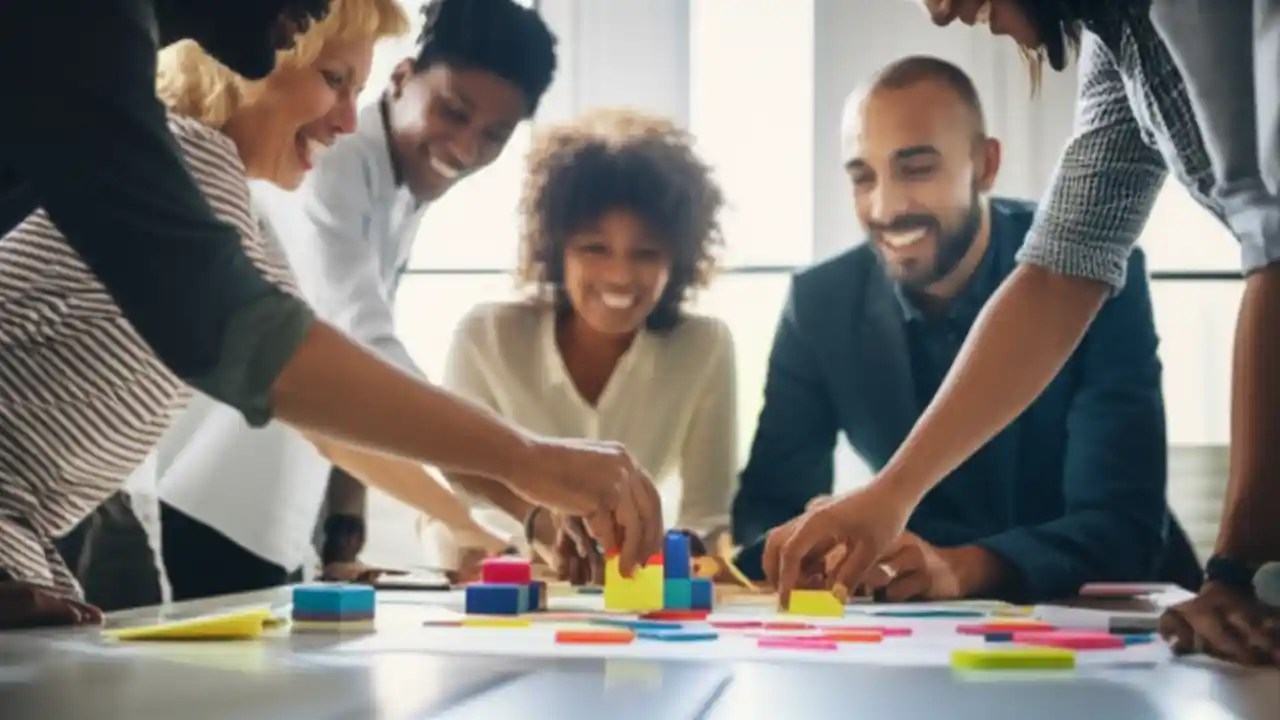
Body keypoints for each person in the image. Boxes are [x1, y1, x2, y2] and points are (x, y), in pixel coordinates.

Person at [0, 0, 658, 631]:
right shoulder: (199, 166)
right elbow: (292, 362)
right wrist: (532, 462)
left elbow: (337, 417)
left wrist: (531, 505)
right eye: (333, 80)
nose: (348, 122)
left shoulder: (239, 213)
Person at [764, 0, 1280, 666]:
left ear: (985, 164)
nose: (941, 10)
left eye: (916, 167)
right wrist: (889, 496)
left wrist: (1237, 571)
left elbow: (1272, 242)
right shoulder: (1118, 43)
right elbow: (1062, 271)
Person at [130, 0, 557, 603]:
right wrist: (509, 491)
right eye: (453, 112)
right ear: (403, 78)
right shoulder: (304, 171)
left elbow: (332, 383)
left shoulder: (394, 186)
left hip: (265, 514)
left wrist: (354, 531)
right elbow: (348, 356)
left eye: (493, 134)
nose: (464, 148)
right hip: (206, 495)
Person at [730, 56, 1187, 603]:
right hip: (917, 624)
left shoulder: (1093, 272)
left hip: (1111, 617)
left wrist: (964, 568)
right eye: (862, 177)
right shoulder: (818, 303)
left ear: (986, 164)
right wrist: (817, 537)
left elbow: (1124, 529)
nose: (886, 206)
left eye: (916, 168)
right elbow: (766, 511)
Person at [427, 108, 738, 583]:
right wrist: (525, 540)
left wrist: (669, 557)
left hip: (619, 595)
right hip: (490, 581)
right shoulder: (486, 337)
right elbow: (454, 485)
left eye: (646, 254)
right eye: (594, 249)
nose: (620, 275)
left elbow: (708, 518)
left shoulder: (705, 346)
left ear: (677, 260)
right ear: (556, 249)